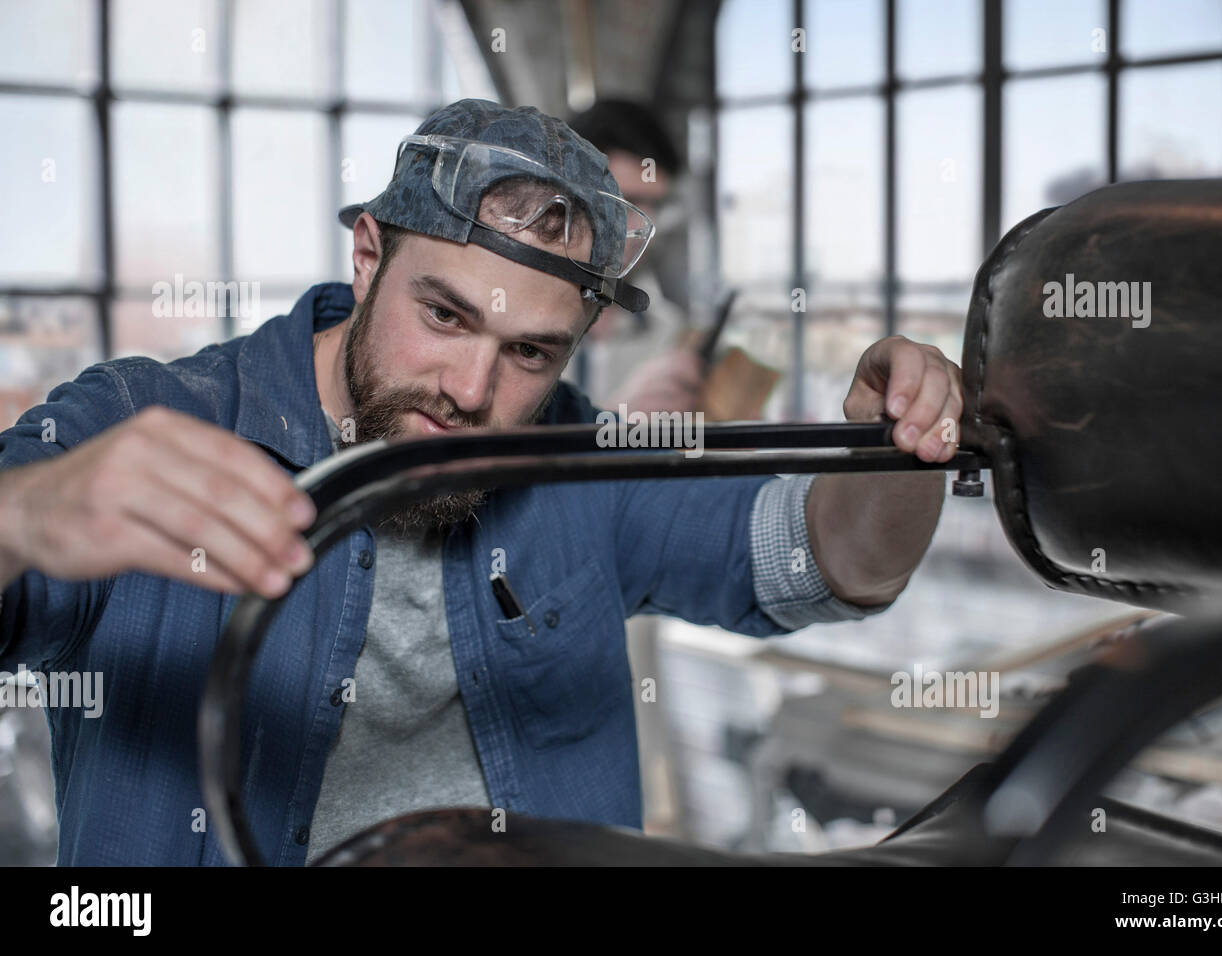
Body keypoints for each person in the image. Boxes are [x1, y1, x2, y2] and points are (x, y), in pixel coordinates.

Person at [0, 99, 962, 866]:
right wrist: (22, 518)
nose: (470, 392)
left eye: (530, 353)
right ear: (368, 256)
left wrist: (902, 441)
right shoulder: (150, 417)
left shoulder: (579, 459)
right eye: (446, 316)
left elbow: (824, 562)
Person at [566, 99, 707, 414]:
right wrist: (615, 418)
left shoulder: (669, 333)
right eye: (626, 201)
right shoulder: (513, 321)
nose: (643, 228)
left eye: (653, 206)